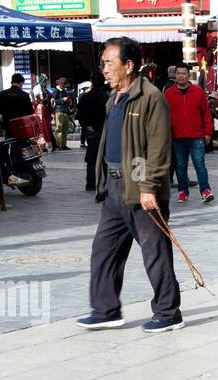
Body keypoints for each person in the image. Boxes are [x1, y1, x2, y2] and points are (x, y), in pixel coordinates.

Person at [78, 37, 183, 335]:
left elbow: (159, 147)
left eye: (109, 63)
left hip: (140, 187)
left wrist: (149, 187)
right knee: (104, 250)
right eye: (103, 63)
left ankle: (168, 312)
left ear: (129, 65)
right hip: (114, 189)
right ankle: (106, 311)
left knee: (155, 251)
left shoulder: (151, 97)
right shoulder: (114, 97)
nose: (104, 69)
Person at [166, 65, 214, 203]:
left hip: (196, 136)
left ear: (189, 75)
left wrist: (208, 132)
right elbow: (164, 115)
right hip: (177, 136)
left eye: (184, 73)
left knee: (199, 163)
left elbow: (206, 114)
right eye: (178, 73)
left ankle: (205, 190)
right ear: (175, 75)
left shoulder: (198, 92)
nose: (181, 76)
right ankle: (183, 191)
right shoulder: (169, 93)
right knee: (180, 165)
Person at [76, 78, 107, 191]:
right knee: (104, 159)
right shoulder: (106, 97)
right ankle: (106, 183)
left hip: (91, 131)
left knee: (92, 159)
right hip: (103, 130)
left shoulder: (85, 97)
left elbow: (79, 115)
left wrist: (86, 126)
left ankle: (91, 183)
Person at [52, 76, 74, 149]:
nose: (65, 87)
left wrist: (69, 102)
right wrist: (62, 99)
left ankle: (64, 145)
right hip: (59, 111)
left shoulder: (64, 91)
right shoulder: (56, 90)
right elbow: (54, 101)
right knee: (59, 129)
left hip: (65, 111)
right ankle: (59, 145)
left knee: (65, 129)